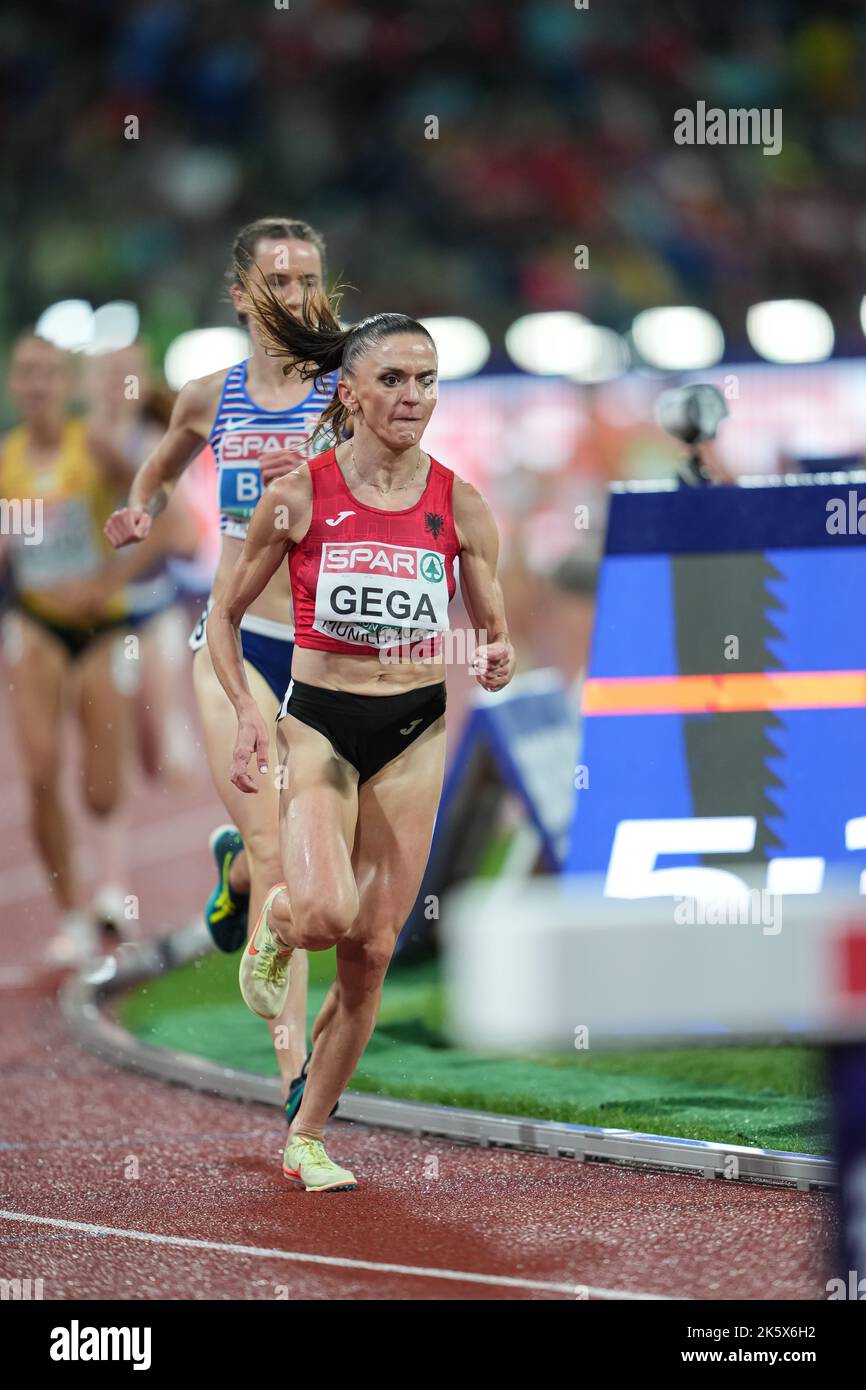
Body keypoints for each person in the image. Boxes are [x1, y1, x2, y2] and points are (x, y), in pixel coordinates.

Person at [206, 283, 515, 1192]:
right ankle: (274, 918)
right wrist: (249, 712)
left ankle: (306, 1133)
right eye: (392, 379)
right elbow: (223, 617)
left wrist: (497, 654)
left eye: (427, 380)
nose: (413, 396)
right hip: (320, 724)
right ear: (349, 390)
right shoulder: (300, 494)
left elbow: (492, 628)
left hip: (415, 728)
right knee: (325, 916)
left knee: (371, 951)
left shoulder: (462, 504)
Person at [104, 217, 335, 1111]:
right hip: (233, 642)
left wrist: (316, 473)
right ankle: (296, 1084)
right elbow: (161, 470)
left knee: (320, 869)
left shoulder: (345, 391)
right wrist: (140, 509)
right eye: (278, 280)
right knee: (285, 859)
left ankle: (232, 869)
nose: (296, 296)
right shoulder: (210, 396)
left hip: (323, 651)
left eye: (308, 279)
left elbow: (385, 490)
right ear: (242, 295)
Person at [0, 335, 174, 962]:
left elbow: (164, 519)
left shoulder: (92, 447)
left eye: (48, 373)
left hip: (102, 630)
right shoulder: (5, 461)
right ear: (14, 385)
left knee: (100, 791)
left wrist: (109, 582)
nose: (37, 385)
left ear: (67, 385)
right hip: (36, 625)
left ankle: (111, 888)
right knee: (40, 774)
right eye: (27, 373)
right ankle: (73, 916)